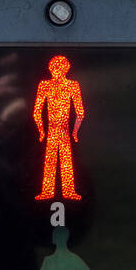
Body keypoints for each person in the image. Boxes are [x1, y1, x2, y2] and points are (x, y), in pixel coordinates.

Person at [33, 54, 84, 200]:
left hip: (57, 130)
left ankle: (54, 191)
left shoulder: (46, 85)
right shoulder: (71, 86)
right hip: (61, 130)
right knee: (60, 160)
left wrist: (41, 131)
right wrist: (75, 132)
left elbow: (36, 112)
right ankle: (61, 191)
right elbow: (80, 113)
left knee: (55, 161)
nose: (56, 71)